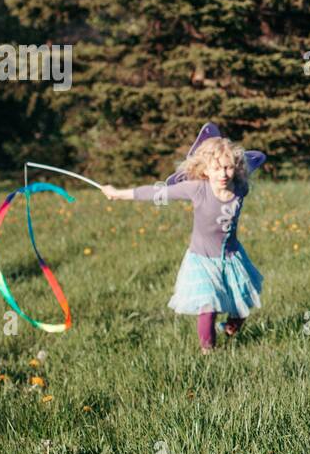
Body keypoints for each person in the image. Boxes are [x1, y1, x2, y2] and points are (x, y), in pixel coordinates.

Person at [101, 135, 263, 353]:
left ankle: (230, 328)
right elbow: (156, 193)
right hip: (202, 259)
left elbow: (254, 160)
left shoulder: (240, 188)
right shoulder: (197, 189)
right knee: (208, 306)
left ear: (235, 167)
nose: (223, 174)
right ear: (205, 170)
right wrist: (118, 194)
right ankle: (209, 353)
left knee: (242, 305)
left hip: (232, 256)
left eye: (227, 168)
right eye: (216, 169)